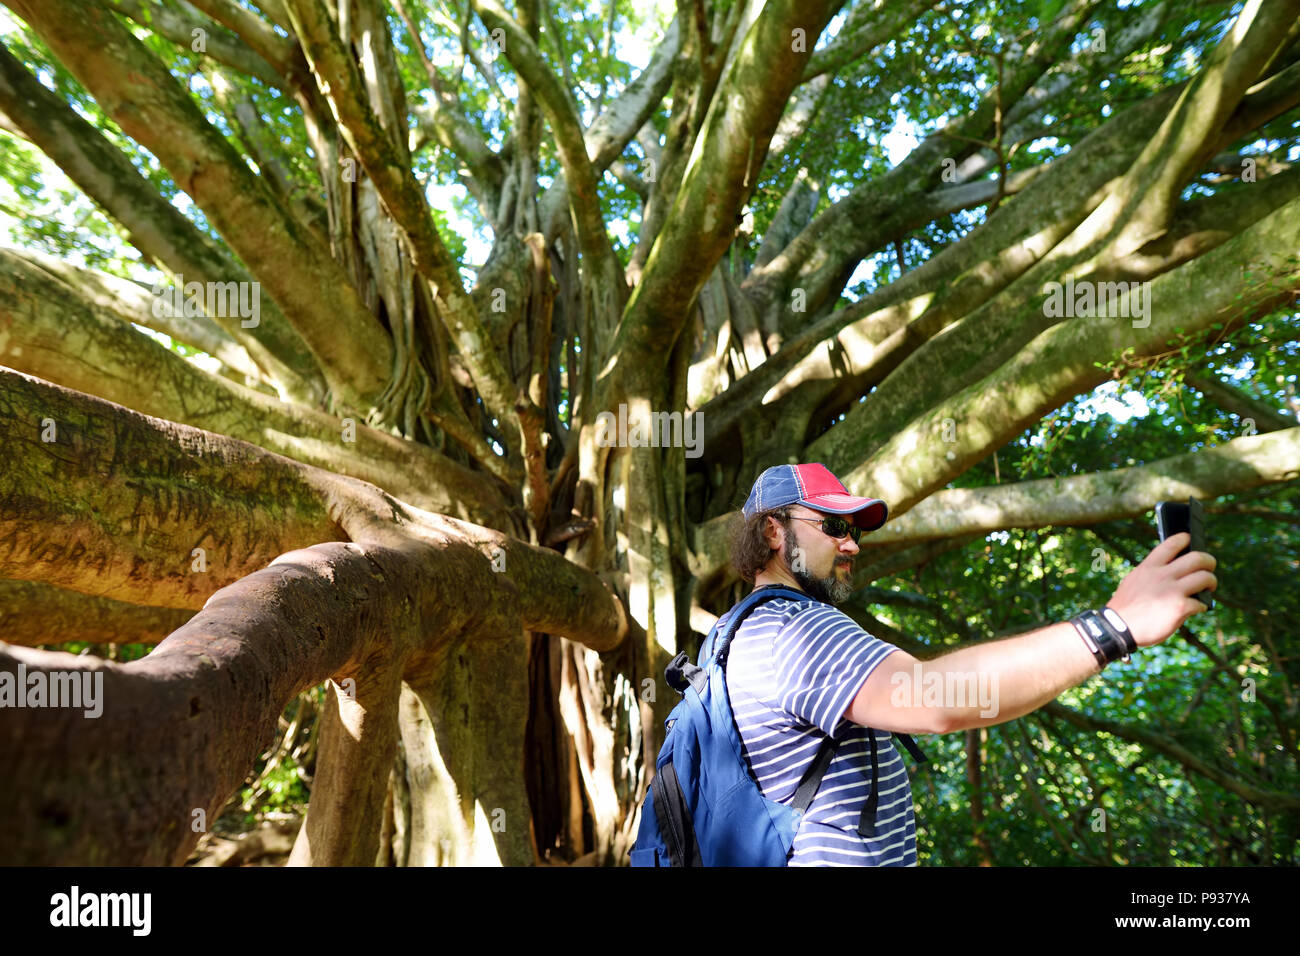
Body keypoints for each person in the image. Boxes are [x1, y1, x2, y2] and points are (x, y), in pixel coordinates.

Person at [725, 462, 1217, 866]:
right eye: (833, 526)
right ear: (774, 531)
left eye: (853, 530)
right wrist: (1115, 626)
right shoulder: (792, 629)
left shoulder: (736, 637)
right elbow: (935, 699)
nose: (851, 544)